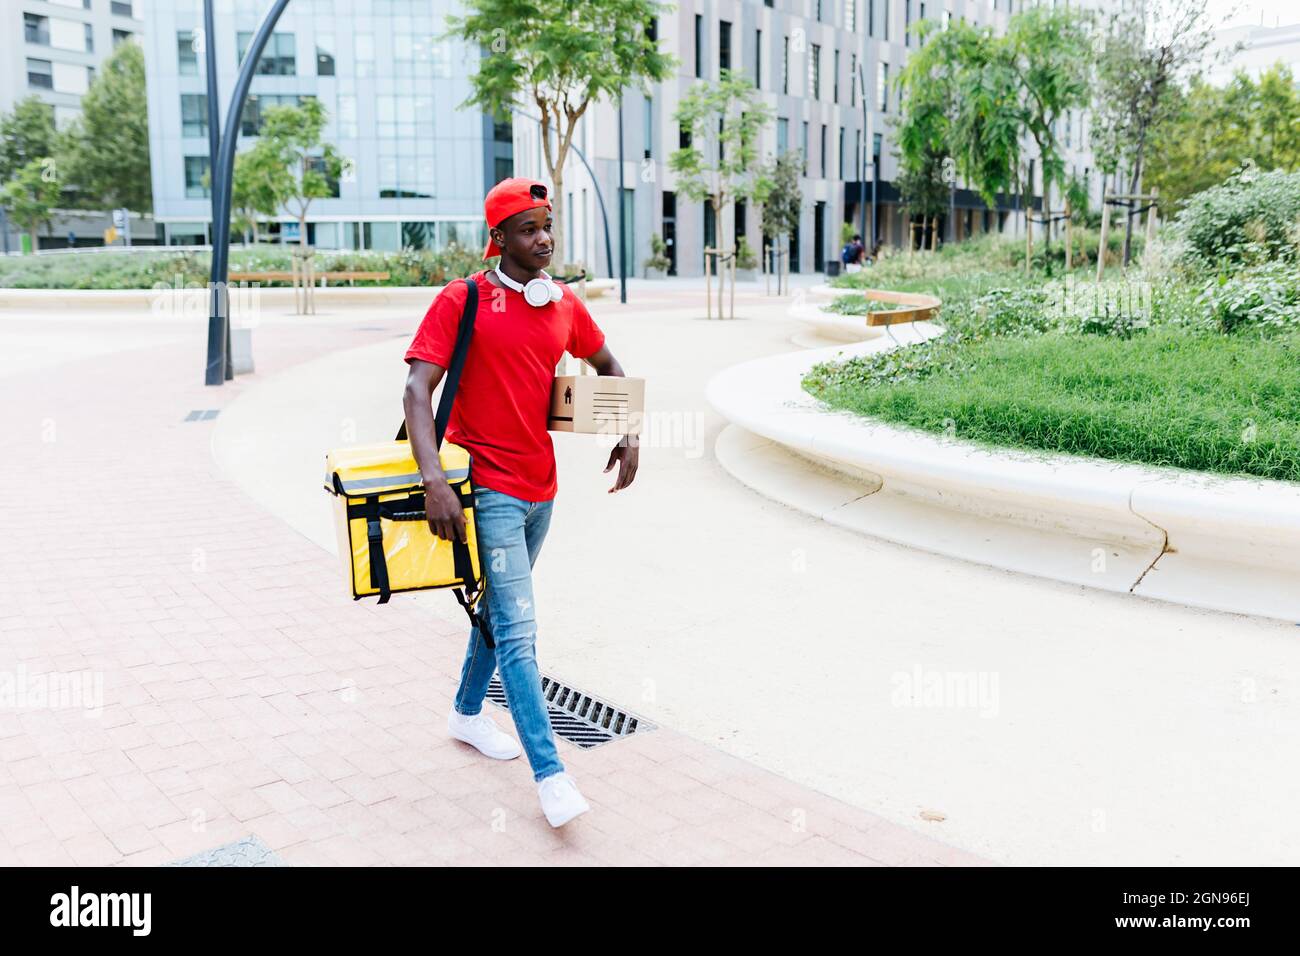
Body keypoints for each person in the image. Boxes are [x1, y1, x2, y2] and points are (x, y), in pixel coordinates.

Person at [402, 177, 639, 828]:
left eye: (548, 225)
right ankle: (552, 774)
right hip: (488, 491)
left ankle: (465, 713)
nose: (544, 238)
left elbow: (610, 367)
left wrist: (629, 430)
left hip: (543, 492)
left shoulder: (562, 304)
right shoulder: (464, 300)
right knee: (520, 631)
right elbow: (416, 390)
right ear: (498, 238)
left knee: (501, 613)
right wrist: (434, 481)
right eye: (529, 228)